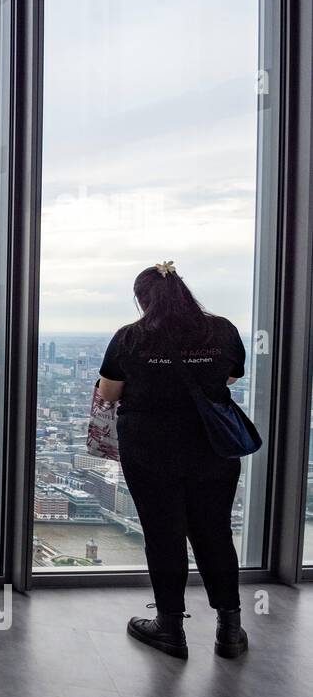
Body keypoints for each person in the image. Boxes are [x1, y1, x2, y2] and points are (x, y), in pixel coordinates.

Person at [97, 261, 249, 659]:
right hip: (212, 446)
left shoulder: (129, 338)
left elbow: (110, 394)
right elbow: (232, 376)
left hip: (150, 448)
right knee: (214, 532)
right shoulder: (222, 330)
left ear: (142, 299)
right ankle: (229, 629)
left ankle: (170, 628)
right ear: (183, 290)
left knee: (164, 534)